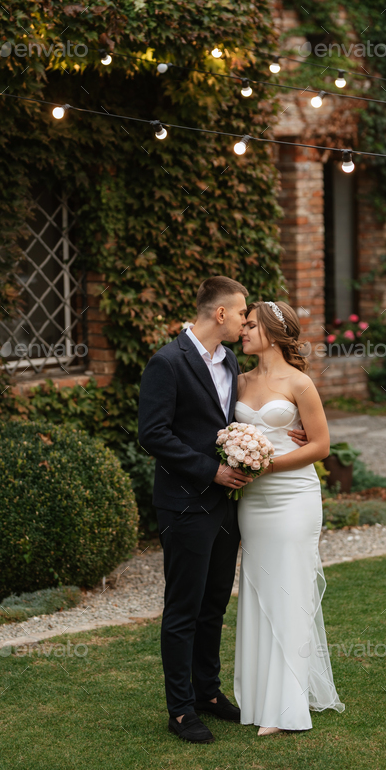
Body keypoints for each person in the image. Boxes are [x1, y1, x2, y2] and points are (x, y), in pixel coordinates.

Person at [138, 277, 308, 743]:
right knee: (183, 608)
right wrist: (208, 472)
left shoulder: (231, 361)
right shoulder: (167, 362)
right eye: (240, 314)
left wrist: (285, 434)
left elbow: (240, 418)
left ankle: (207, 693)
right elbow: (153, 434)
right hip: (184, 503)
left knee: (214, 603)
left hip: (227, 505)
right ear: (220, 314)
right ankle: (179, 710)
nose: (243, 321)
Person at [234, 300, 345, 735]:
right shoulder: (236, 380)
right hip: (253, 502)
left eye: (249, 325)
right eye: (242, 325)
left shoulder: (300, 382)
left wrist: (269, 466)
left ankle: (287, 708)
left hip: (294, 496)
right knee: (258, 589)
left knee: (288, 588)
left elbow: (320, 446)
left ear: (273, 334)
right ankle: (260, 698)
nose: (243, 331)